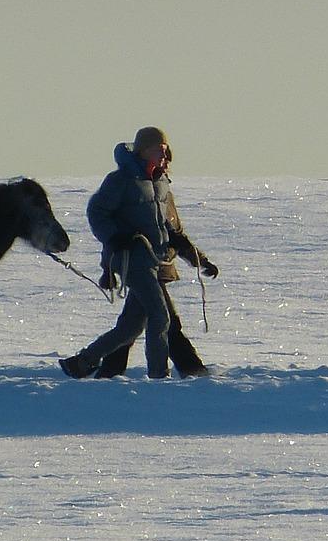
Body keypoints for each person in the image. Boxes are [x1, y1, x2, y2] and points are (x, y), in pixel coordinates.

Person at [60, 127, 219, 380]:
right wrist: (115, 237)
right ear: (144, 150)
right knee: (160, 316)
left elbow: (172, 230)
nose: (165, 157)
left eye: (167, 153)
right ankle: (158, 376)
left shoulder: (161, 184)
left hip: (158, 262)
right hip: (134, 261)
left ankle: (81, 363)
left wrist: (198, 258)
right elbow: (97, 212)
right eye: (161, 151)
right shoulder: (121, 180)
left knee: (130, 328)